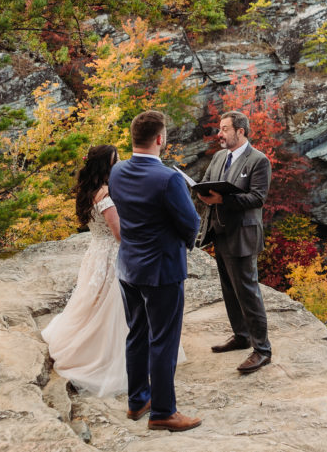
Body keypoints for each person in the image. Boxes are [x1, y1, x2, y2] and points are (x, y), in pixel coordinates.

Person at [107, 110, 202, 433]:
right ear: (160, 139)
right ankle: (163, 412)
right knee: (163, 340)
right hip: (162, 269)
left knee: (137, 335)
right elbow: (190, 222)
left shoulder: (117, 172)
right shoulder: (168, 178)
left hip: (129, 266)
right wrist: (184, 242)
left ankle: (137, 402)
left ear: (134, 137)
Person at [41, 145, 127, 397]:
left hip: (97, 252)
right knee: (111, 306)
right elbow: (120, 234)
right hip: (112, 255)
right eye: (116, 160)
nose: (120, 163)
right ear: (106, 165)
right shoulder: (106, 195)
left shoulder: (88, 190)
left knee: (94, 301)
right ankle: (106, 353)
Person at [196, 110, 272, 374]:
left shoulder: (258, 160)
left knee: (248, 292)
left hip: (244, 236)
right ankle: (242, 336)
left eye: (225, 129)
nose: (220, 133)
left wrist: (223, 200)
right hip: (220, 232)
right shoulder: (219, 157)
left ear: (240, 131)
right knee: (229, 289)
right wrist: (202, 192)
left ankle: (262, 350)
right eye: (220, 128)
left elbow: (258, 198)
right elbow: (206, 183)